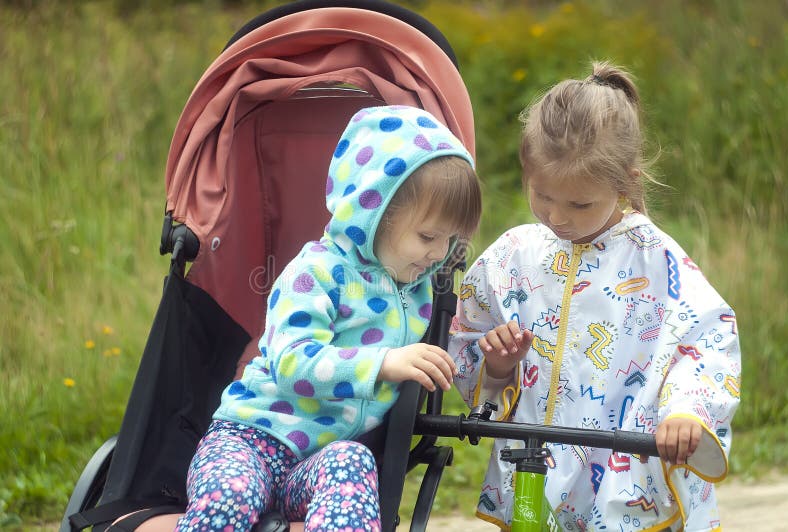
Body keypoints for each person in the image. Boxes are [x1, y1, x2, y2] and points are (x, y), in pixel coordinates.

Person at [448, 62, 740, 531]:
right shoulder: (511, 257)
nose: (556, 216)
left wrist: (685, 410)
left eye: (579, 203)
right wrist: (497, 363)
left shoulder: (655, 260)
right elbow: (465, 336)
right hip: (531, 472)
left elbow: (707, 340)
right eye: (542, 194)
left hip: (629, 481)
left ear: (625, 181)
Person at [175, 104, 482, 531]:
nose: (438, 253)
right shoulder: (317, 271)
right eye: (428, 236)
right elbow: (291, 362)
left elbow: (459, 347)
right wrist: (381, 364)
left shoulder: (418, 290)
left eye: (449, 240)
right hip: (251, 439)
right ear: (372, 215)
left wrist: (492, 347)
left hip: (320, 462)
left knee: (353, 461)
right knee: (230, 495)